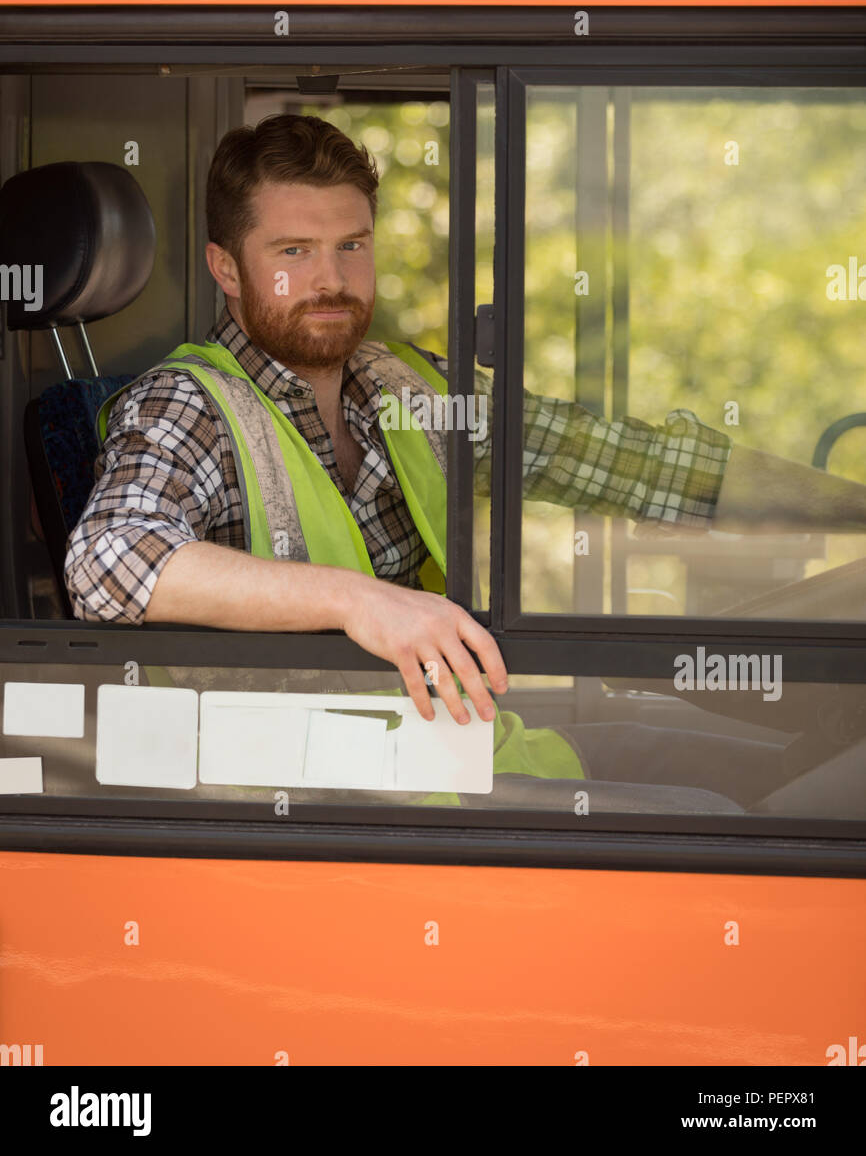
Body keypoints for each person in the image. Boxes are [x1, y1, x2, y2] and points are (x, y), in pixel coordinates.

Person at [64, 115, 866, 803]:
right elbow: (107, 562)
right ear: (226, 269)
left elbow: (636, 466)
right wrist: (360, 602)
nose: (333, 280)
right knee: (720, 831)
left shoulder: (407, 387)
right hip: (314, 796)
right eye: (295, 251)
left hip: (457, 748)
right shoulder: (188, 404)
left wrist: (852, 508)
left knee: (778, 774)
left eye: (352, 245)